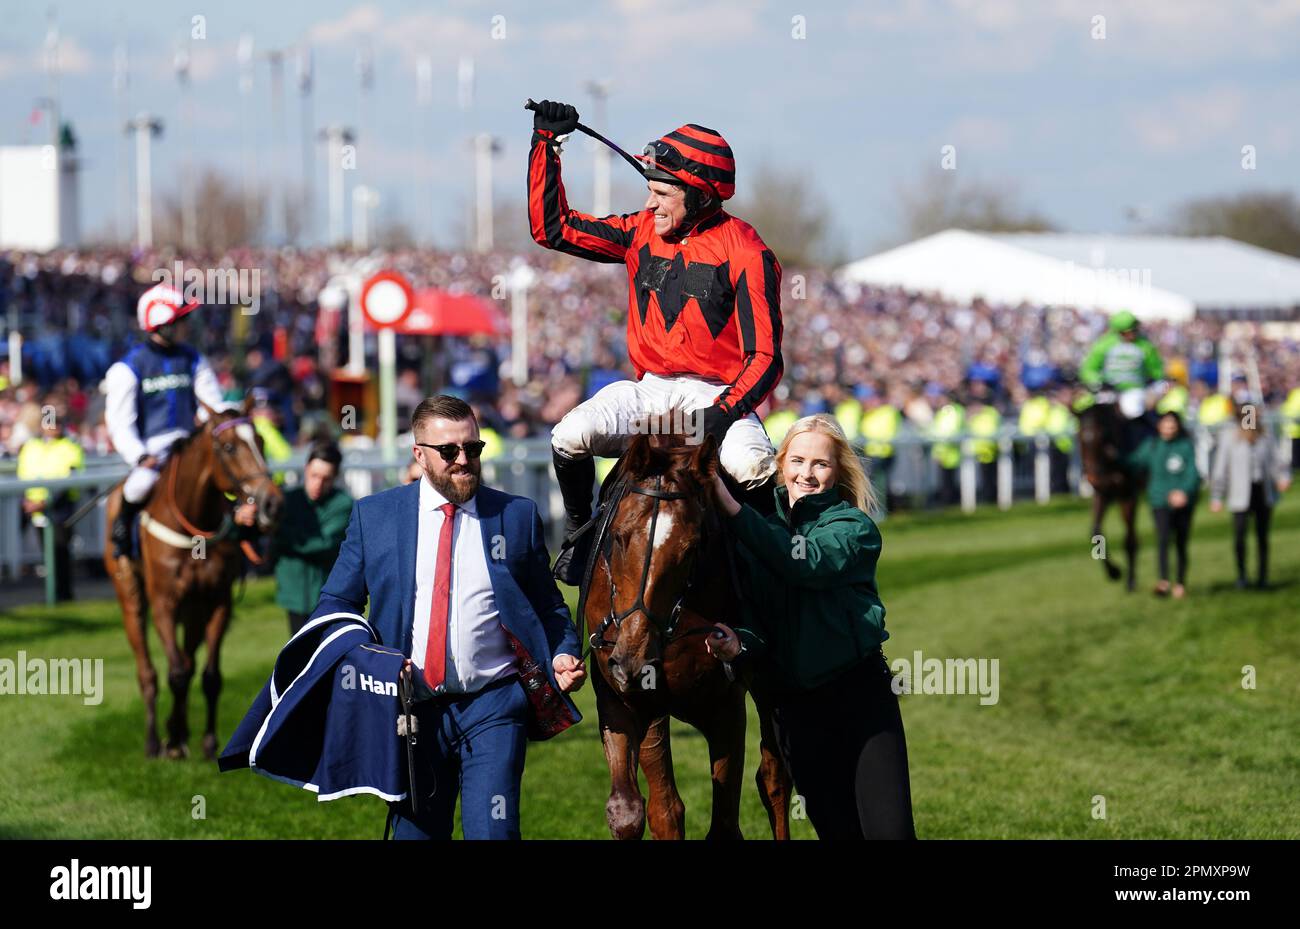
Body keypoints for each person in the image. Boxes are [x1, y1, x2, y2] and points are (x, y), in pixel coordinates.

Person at [527, 100, 784, 584]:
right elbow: (553, 229)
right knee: (569, 435)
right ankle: (581, 537)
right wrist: (546, 145)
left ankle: (774, 576)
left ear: (702, 196)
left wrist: (722, 413)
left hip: (717, 397)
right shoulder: (639, 230)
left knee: (751, 465)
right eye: (650, 191)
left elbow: (766, 357)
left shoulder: (748, 252)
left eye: (662, 194)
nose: (651, 204)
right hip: (648, 391)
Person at [308, 395, 586, 839]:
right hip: (411, 711)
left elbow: (550, 607)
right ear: (418, 454)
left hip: (494, 704)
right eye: (449, 451)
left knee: (494, 832)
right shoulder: (375, 516)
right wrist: (371, 661)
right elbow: (334, 607)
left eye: (472, 449)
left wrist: (563, 652)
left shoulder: (515, 517)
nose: (463, 461)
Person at [706, 413, 915, 840]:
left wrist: (732, 509)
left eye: (820, 464)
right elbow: (758, 628)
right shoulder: (762, 530)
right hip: (795, 710)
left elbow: (804, 562)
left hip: (860, 698)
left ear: (839, 471)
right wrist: (737, 644)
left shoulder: (854, 526)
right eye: (797, 461)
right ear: (781, 465)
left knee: (890, 833)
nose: (807, 473)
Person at [103, 284, 242, 558]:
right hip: (153, 451)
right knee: (138, 485)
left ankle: (238, 538)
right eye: (181, 320)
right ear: (162, 325)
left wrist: (226, 413)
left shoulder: (193, 358)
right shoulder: (128, 367)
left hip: (191, 444)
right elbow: (119, 422)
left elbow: (211, 402)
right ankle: (124, 538)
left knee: (229, 479)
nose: (186, 326)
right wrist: (140, 455)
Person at [270, 441, 353, 636]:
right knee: (299, 660)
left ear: (335, 478)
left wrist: (276, 529)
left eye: (326, 478)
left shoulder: (342, 504)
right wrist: (243, 517)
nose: (318, 484)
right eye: (314, 475)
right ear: (305, 469)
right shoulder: (289, 499)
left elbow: (319, 543)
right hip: (294, 594)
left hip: (327, 597)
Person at [1210, 405, 1292, 589]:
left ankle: (1263, 576)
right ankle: (1242, 575)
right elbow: (1221, 469)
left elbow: (1276, 461)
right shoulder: (1230, 438)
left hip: (1261, 491)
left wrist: (1282, 478)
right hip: (1240, 494)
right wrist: (1216, 496)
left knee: (1262, 536)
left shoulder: (1265, 436)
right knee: (1240, 536)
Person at [1127, 411, 1200, 598]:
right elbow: (1132, 462)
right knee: (1163, 539)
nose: (1169, 428)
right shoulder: (1151, 446)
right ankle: (1164, 580)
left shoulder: (1184, 446)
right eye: (1166, 424)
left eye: (1173, 424)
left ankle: (1181, 582)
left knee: (1181, 542)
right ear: (1159, 426)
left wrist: (1183, 491)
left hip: (1183, 502)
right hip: (1159, 501)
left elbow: (1193, 473)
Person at [16, 411, 85, 601]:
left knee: (60, 551)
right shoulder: (31, 447)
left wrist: (45, 502)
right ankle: (53, 593)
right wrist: (27, 501)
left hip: (60, 507)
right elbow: (23, 473)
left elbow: (69, 477)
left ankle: (63, 594)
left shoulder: (70, 446)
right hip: (35, 506)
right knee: (47, 552)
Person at [1078, 310, 1165, 458]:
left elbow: (1157, 371)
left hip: (1134, 391)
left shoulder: (1145, 346)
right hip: (1107, 390)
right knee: (1095, 416)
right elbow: (1088, 369)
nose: (1131, 335)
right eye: (1127, 332)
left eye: (1133, 331)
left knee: (1133, 409)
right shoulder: (1104, 345)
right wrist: (1098, 382)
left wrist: (1154, 390)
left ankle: (1136, 449)